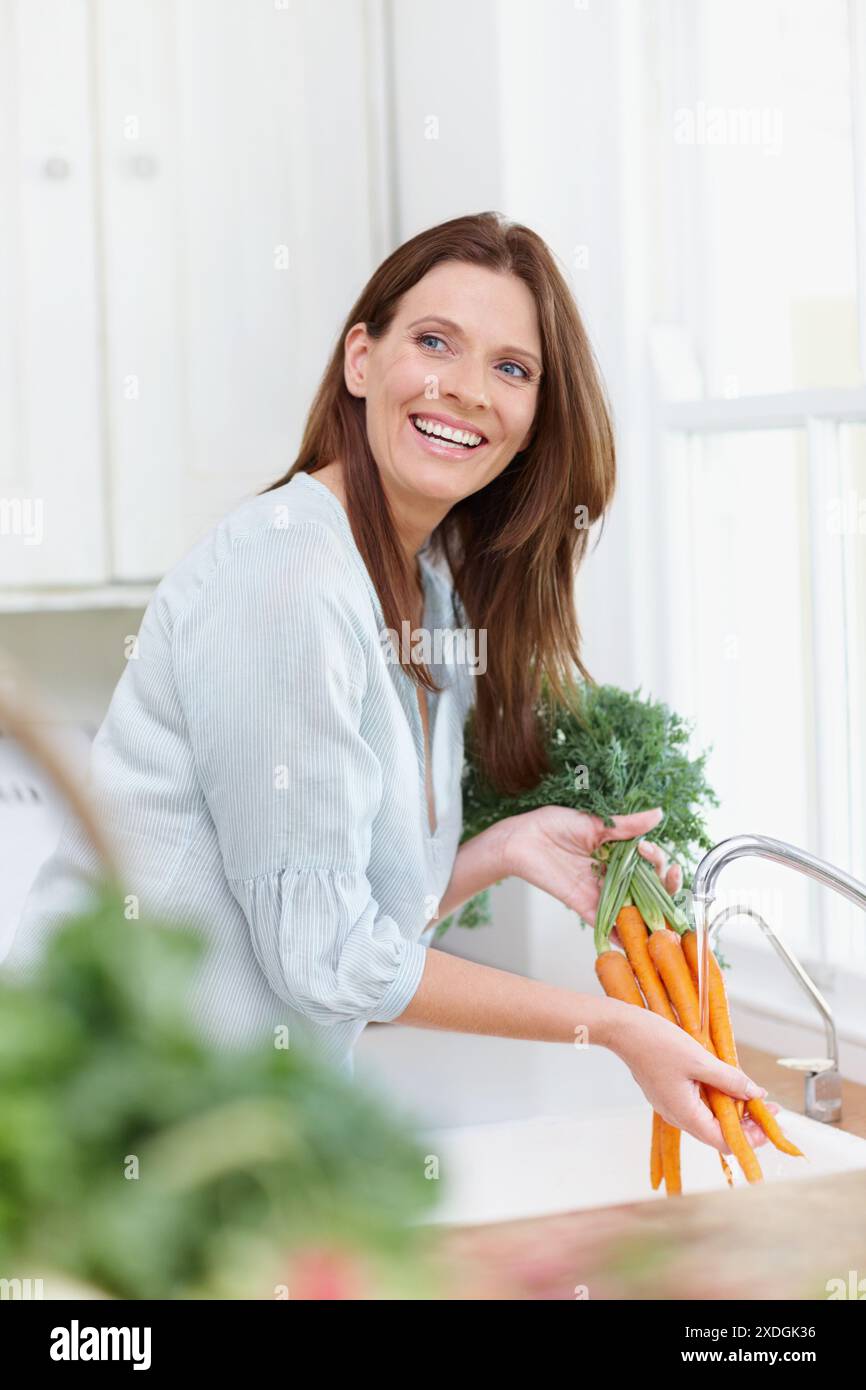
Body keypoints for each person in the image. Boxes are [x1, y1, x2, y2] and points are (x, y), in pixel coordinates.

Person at [5, 211, 772, 1154]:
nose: (466, 389)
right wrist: (610, 1023)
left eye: (512, 368)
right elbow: (322, 959)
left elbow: (333, 911)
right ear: (362, 361)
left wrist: (503, 849)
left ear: (534, 423)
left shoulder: (428, 595)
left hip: (221, 1131)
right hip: (85, 1118)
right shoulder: (285, 577)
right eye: (434, 341)